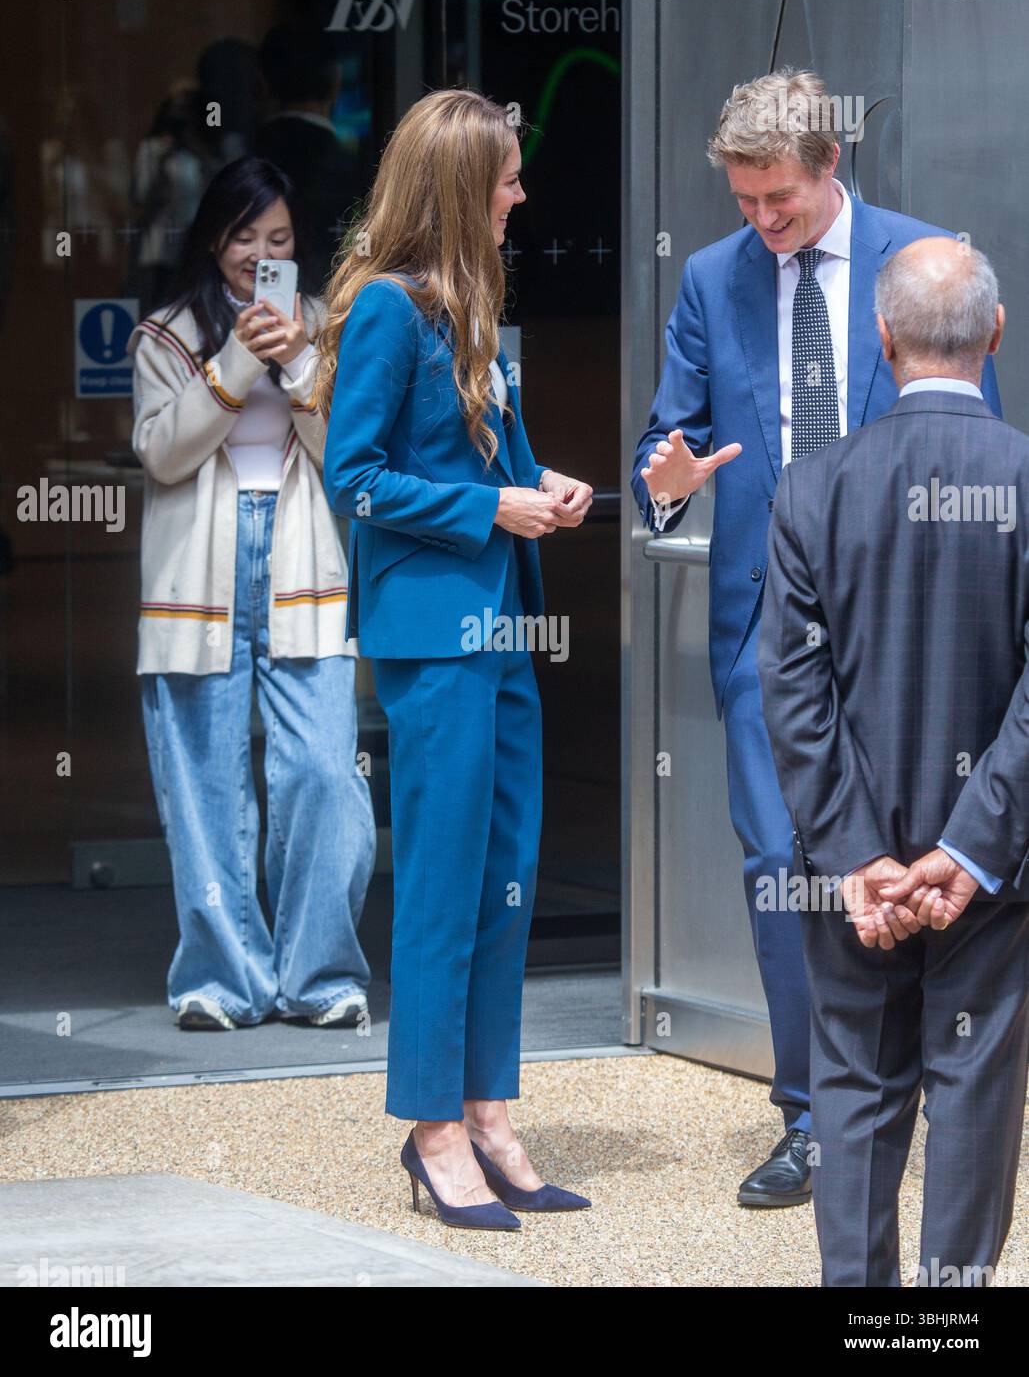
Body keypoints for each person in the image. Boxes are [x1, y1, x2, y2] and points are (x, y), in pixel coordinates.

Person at [631, 68, 1001, 1207]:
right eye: (744, 202)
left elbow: (980, 436)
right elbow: (663, 448)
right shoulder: (710, 278)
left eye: (778, 199)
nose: (762, 222)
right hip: (765, 626)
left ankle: (949, 1101)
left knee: (939, 845)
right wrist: (669, 481)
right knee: (785, 866)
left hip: (912, 613)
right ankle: (814, 1117)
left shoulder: (924, 263)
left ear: (829, 165)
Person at [317, 89, 593, 1230]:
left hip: (504, 632)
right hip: (435, 635)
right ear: (457, 188)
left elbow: (496, 460)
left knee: (503, 880)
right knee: (440, 882)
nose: (521, 196)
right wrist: (494, 510)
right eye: (508, 180)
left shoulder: (470, 308)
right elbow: (357, 477)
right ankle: (432, 1127)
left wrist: (553, 486)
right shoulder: (387, 310)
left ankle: (488, 1109)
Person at [758, 237, 1028, 1287]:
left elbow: (794, 692)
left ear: (882, 337)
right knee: (972, 1085)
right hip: (992, 873)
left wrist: (857, 853)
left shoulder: (813, 487)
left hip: (856, 874)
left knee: (858, 1085)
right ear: (994, 334)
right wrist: (969, 848)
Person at [128, 156, 376, 1032]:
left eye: (277, 239)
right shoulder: (164, 334)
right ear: (213, 238)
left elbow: (347, 454)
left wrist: (303, 365)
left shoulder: (324, 324)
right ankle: (222, 980)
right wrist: (235, 362)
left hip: (304, 560)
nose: (259, 254)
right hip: (197, 571)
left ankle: (319, 975)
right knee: (204, 782)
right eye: (243, 237)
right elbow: (162, 453)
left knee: (320, 770)